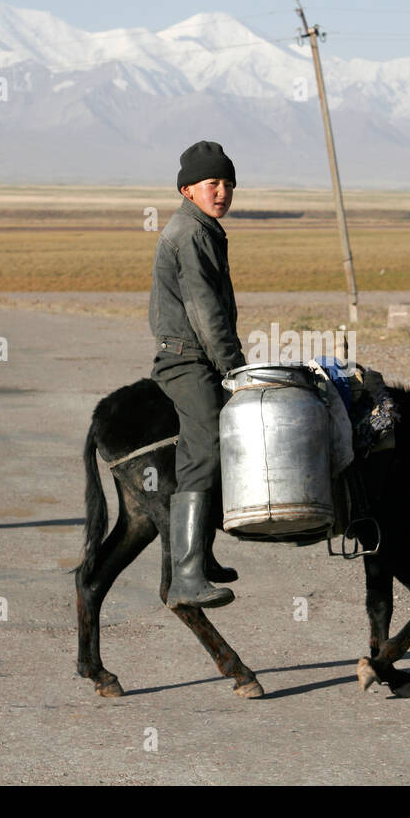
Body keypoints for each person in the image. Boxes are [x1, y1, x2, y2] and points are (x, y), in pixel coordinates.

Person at [149, 141, 245, 609]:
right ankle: (186, 576)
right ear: (188, 189)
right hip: (187, 358)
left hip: (197, 354)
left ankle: (202, 554)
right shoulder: (190, 232)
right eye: (213, 183)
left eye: (228, 183)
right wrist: (234, 367)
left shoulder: (202, 228)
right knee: (205, 443)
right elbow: (205, 311)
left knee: (227, 437)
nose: (222, 191)